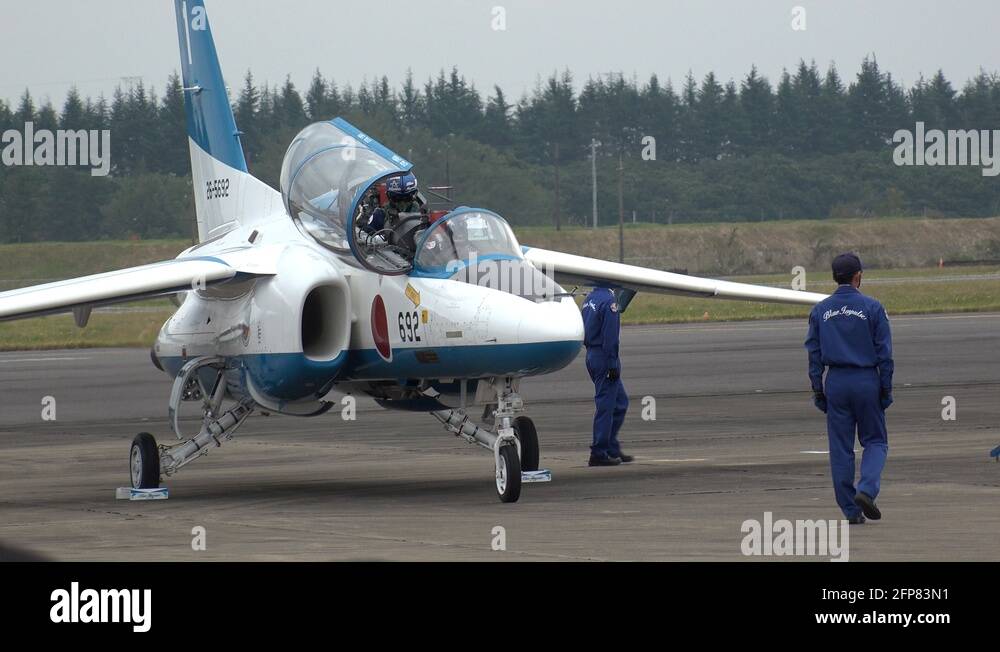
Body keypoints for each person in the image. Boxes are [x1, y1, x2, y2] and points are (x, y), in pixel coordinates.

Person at [805, 253, 893, 524]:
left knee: (841, 448)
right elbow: (885, 354)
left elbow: (814, 353)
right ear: (858, 276)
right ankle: (867, 489)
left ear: (835, 277)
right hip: (866, 380)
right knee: (875, 441)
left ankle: (851, 510)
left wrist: (818, 389)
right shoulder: (873, 308)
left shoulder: (820, 310)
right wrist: (885, 389)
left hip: (837, 382)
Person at [582, 284, 632, 466]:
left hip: (591, 355)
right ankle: (599, 452)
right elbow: (610, 337)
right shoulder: (610, 302)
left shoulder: (588, 300)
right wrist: (612, 363)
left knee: (620, 402)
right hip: (604, 356)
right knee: (606, 406)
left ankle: (611, 446)